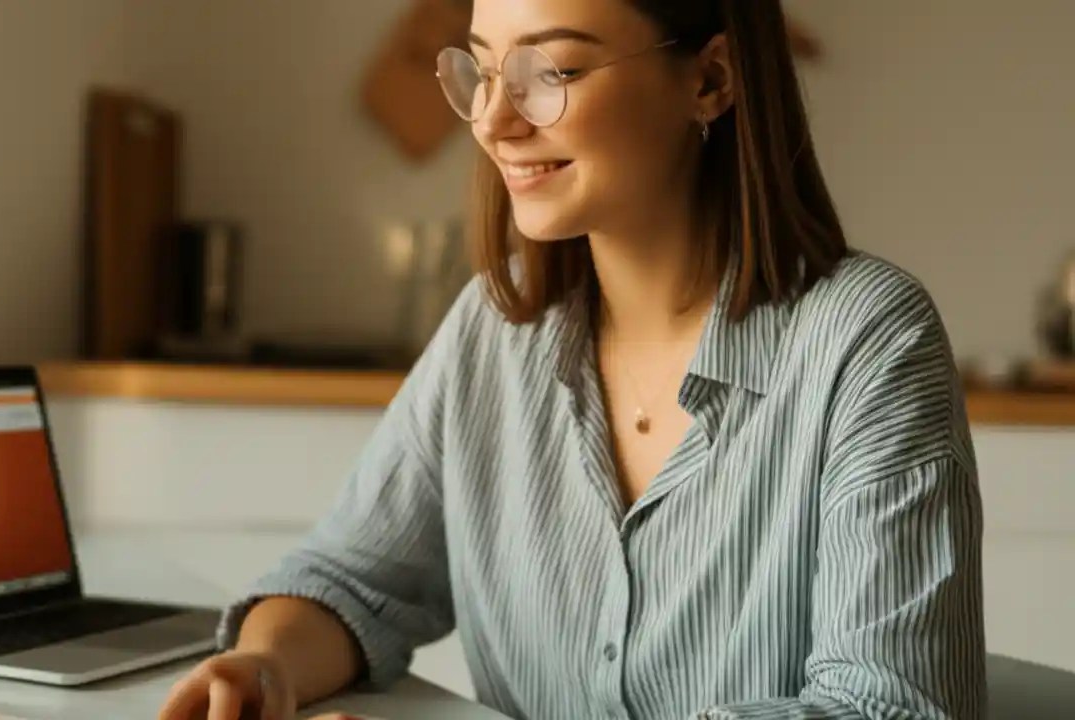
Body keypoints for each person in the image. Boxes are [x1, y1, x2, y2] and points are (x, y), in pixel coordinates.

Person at [158, 0, 986, 717]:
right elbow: (352, 578)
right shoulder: (495, 327)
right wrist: (265, 667)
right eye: (481, 72)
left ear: (710, 80)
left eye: (549, 71)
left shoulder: (870, 341)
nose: (493, 120)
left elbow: (887, 706)